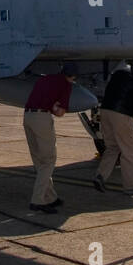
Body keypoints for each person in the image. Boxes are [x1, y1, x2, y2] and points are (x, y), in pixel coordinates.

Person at [23, 63, 77, 213]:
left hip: (27, 116)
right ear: (73, 76)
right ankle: (37, 200)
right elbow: (60, 112)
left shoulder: (44, 79)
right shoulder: (66, 85)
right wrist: (54, 107)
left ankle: (51, 197)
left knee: (38, 160)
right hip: (42, 119)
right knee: (48, 160)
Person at [93, 60, 133, 194]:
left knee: (112, 147)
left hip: (105, 111)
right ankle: (131, 186)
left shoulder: (118, 73)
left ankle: (100, 176)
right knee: (129, 150)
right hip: (122, 113)